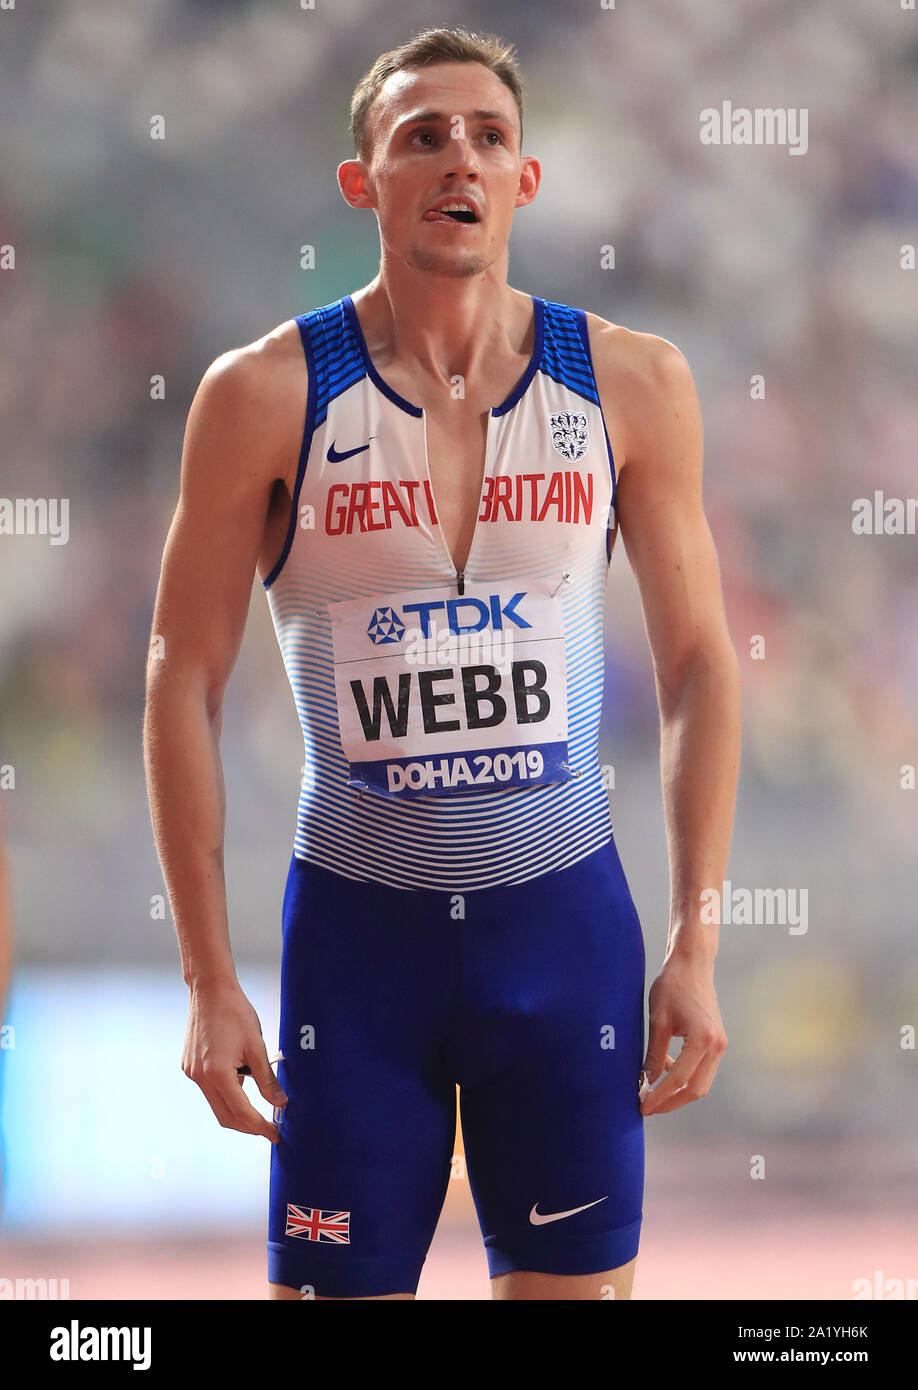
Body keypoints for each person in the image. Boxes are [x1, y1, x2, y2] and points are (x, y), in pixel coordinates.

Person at [144, 25, 740, 1302]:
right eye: (422, 136)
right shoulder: (262, 394)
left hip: (563, 926)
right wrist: (207, 981)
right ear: (362, 182)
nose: (457, 157)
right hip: (359, 951)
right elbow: (177, 678)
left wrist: (697, 940)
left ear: (526, 182)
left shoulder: (631, 384)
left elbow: (698, 664)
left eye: (487, 137)